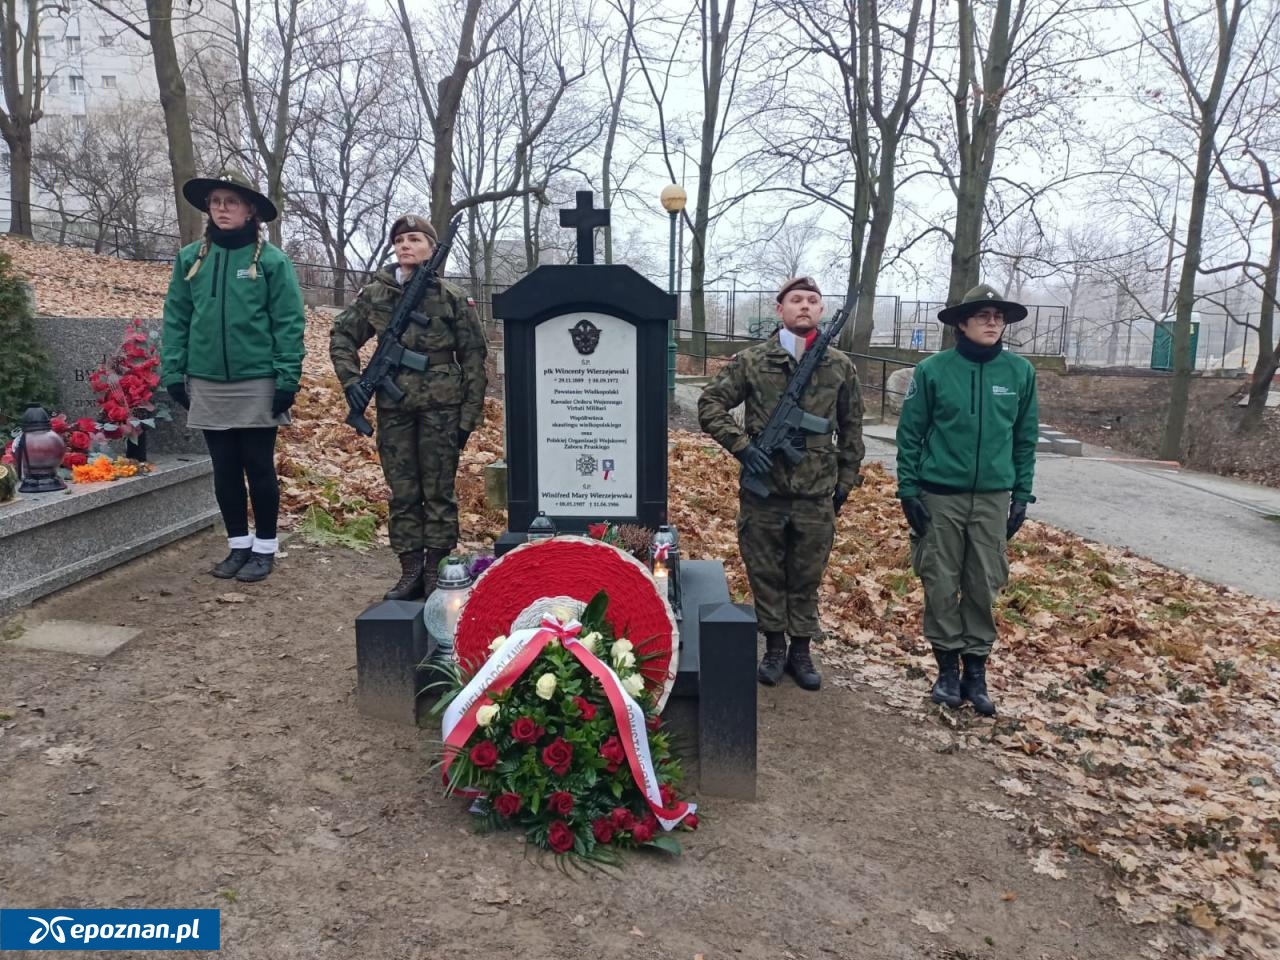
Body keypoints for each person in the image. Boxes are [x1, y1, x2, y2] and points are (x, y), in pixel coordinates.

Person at [698, 276, 864, 691]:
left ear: (821, 311)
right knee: (766, 570)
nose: (804, 306)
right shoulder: (754, 360)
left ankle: (801, 650)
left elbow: (852, 427)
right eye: (795, 300)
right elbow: (710, 404)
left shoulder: (839, 365)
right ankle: (774, 646)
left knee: (807, 574)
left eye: (812, 300)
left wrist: (846, 480)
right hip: (764, 490)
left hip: (814, 492)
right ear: (780, 310)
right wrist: (743, 447)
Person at [895, 283, 1039, 716]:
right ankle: (946, 671)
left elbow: (1025, 439)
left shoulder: (1019, 373)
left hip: (993, 497)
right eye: (983, 315)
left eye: (998, 316)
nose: (993, 322)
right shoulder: (934, 371)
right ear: (962, 323)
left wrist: (1021, 495)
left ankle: (976, 672)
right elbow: (910, 435)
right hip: (940, 496)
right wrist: (908, 490)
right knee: (940, 581)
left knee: (983, 582)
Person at [329, 214, 488, 600]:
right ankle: (410, 570)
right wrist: (351, 382)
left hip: (442, 408)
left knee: (438, 491)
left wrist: (468, 418)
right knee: (402, 491)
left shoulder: (450, 297)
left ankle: (436, 568)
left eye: (415, 239)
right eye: (399, 239)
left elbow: (474, 359)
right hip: (394, 407)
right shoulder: (377, 294)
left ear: (432, 248)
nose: (405, 245)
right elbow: (342, 335)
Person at [161, 169, 306, 584]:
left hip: (257, 379)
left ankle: (264, 548)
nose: (222, 208)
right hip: (207, 379)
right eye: (216, 202)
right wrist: (174, 368)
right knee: (223, 467)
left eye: (232, 202)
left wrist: (286, 378)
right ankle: (237, 544)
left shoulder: (272, 262)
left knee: (258, 465)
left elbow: (289, 322)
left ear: (251, 211)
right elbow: (177, 317)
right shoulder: (191, 259)